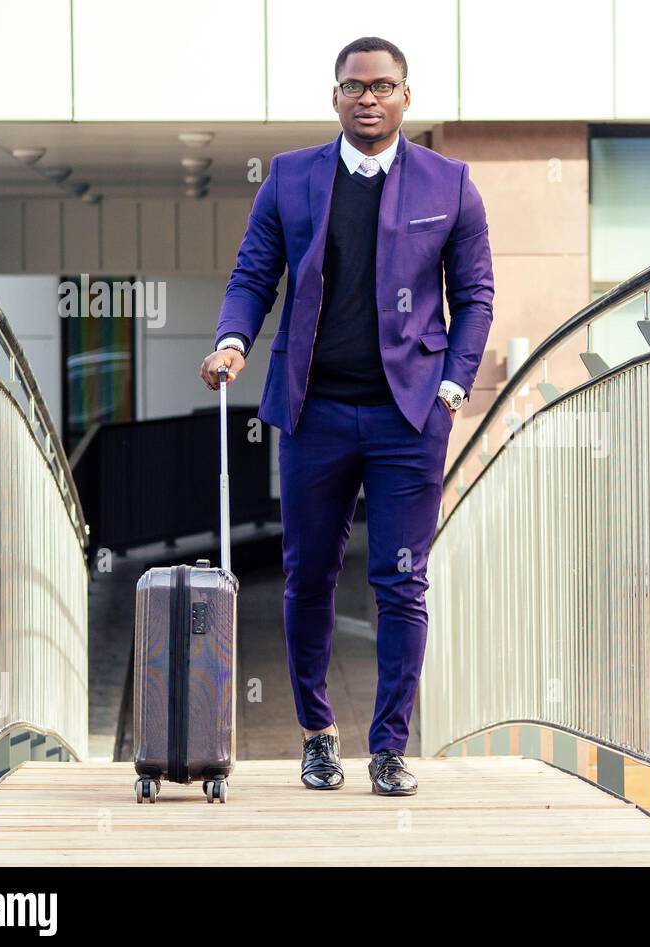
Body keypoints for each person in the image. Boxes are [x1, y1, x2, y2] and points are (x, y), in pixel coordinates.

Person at [197, 36, 494, 796]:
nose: (369, 98)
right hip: (312, 412)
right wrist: (233, 340)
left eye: (384, 86)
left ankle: (390, 747)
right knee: (308, 578)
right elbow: (254, 272)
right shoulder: (291, 179)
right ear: (335, 97)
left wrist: (453, 387)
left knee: (401, 583)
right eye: (354, 86)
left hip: (408, 417)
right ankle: (318, 735)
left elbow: (476, 295)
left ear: (405, 99)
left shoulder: (450, 183)